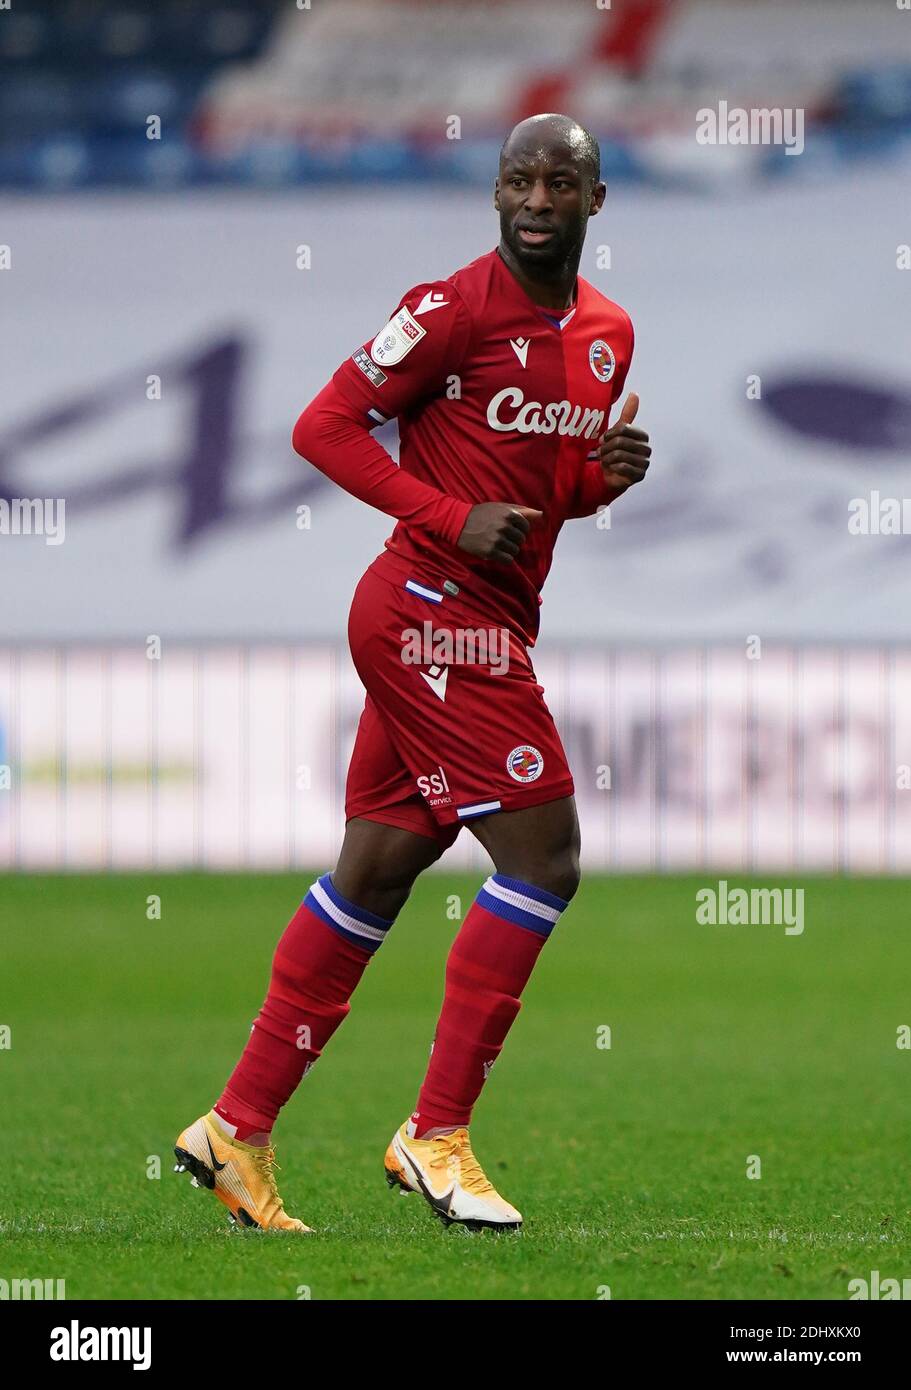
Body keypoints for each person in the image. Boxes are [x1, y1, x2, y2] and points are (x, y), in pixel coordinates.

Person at [174, 113, 651, 1233]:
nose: (535, 199)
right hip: (430, 616)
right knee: (546, 856)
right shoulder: (448, 308)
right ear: (495, 195)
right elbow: (322, 426)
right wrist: (446, 517)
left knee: (375, 874)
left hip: (489, 616)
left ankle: (234, 1129)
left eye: (558, 182)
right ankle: (434, 1134)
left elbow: (540, 487)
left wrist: (598, 481)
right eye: (516, 180)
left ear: (594, 201)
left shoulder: (606, 334)